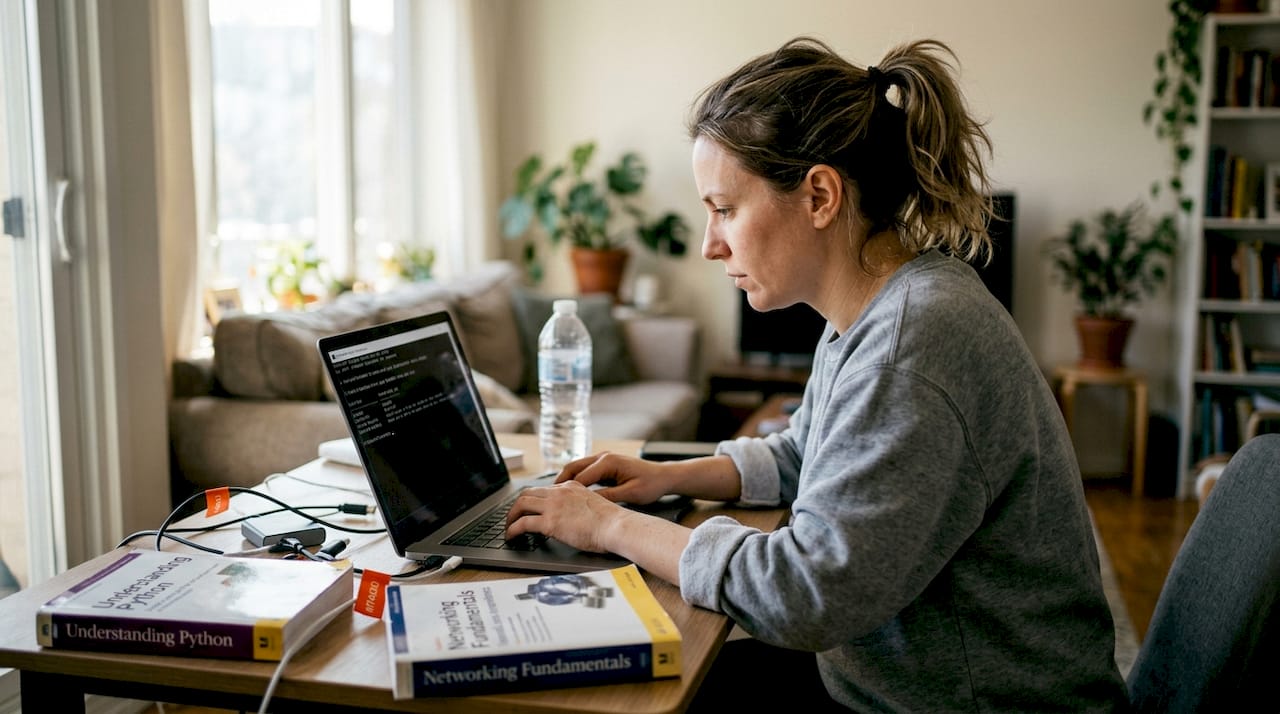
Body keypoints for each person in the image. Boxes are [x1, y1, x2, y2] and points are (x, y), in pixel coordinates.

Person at [506, 36, 1130, 712]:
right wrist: (670, 476)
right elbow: (811, 451)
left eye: (723, 208)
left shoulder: (910, 343)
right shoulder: (881, 309)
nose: (710, 244)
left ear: (820, 195)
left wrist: (607, 527)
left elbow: (804, 596)